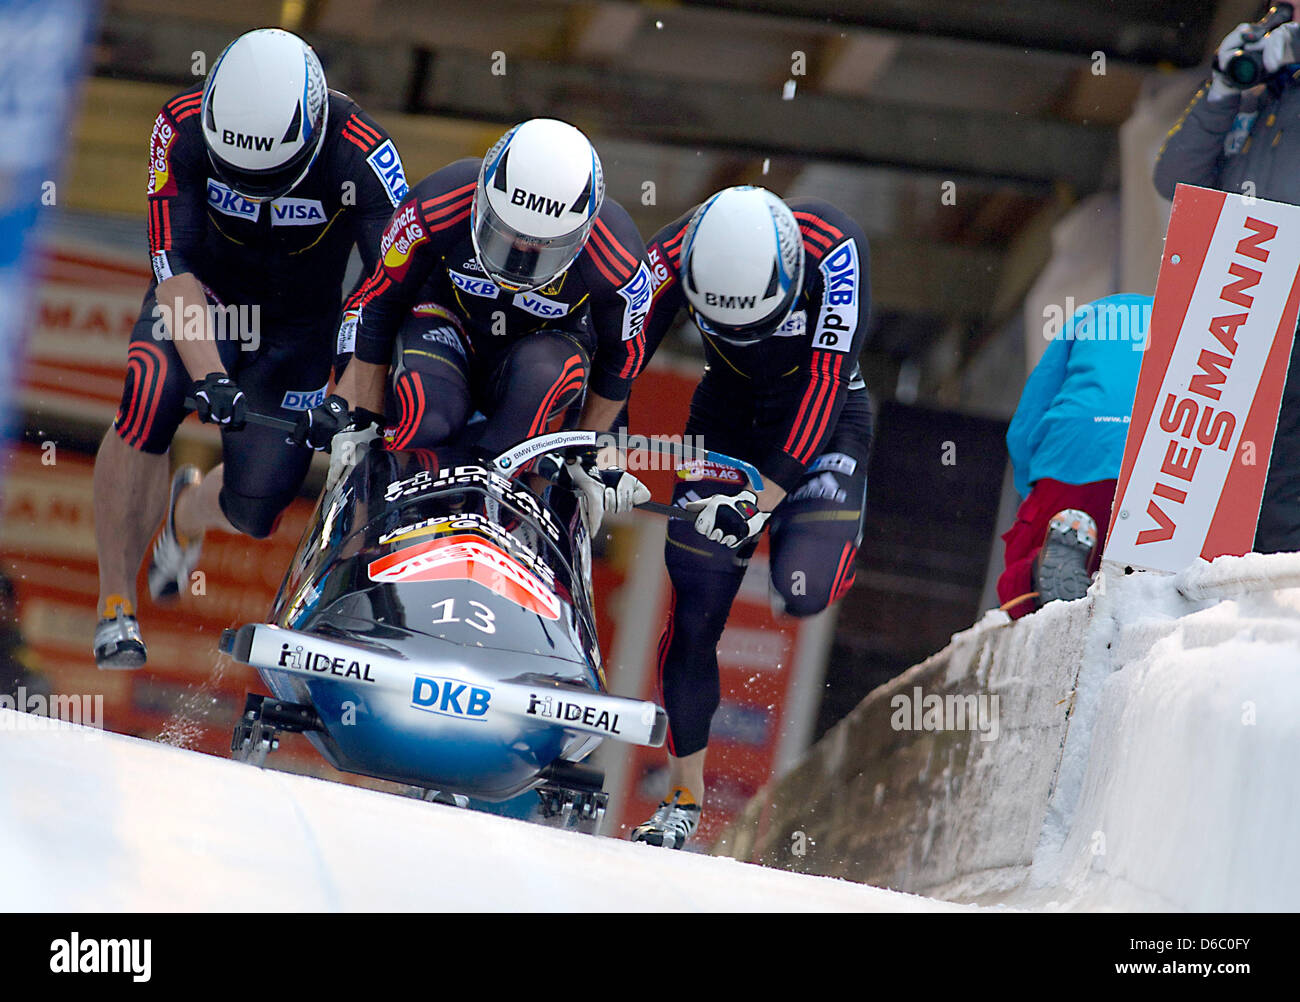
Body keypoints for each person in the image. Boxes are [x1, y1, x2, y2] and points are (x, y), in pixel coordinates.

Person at [93, 28, 409, 668]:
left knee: (255, 506)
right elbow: (171, 262)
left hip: (298, 330)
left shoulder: (366, 156)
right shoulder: (177, 127)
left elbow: (385, 293)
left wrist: (347, 396)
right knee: (151, 392)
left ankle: (189, 511)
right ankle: (115, 605)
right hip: (207, 301)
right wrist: (208, 376)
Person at [626, 186, 873, 848]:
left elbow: (825, 380)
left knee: (802, 590)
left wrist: (763, 500)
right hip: (728, 418)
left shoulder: (837, 249)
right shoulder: (671, 253)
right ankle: (684, 796)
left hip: (824, 421)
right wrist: (604, 446)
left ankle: (826, 517)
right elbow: (622, 352)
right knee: (696, 598)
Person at [330, 117, 653, 529]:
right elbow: (380, 302)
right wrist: (366, 418)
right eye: (506, 236)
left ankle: (503, 524)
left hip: (543, 351)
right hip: (447, 327)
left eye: (541, 249)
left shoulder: (619, 260)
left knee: (539, 385)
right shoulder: (436, 202)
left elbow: (622, 360)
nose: (519, 259)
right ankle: (383, 520)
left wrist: (589, 452)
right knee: (427, 417)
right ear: (483, 199)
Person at [1154, 4, 1300, 552]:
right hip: (1240, 307)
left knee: (1285, 470)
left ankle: (1279, 594)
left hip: (1294, 306)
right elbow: (1175, 180)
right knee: (1218, 462)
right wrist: (1222, 89)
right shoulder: (1260, 89)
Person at [997, 294, 1152, 618]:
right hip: (1155, 462)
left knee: (1021, 573)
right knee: (1134, 556)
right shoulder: (1195, 325)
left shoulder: (1092, 314)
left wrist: (1035, 492)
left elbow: (1026, 423)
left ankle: (1039, 571)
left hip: (1072, 455)